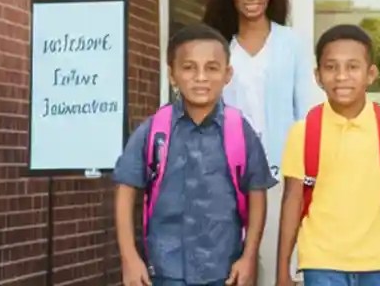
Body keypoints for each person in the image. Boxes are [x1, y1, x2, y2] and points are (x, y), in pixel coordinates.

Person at [113, 24, 277, 286]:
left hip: (224, 271)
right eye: (189, 68)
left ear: (227, 74)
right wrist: (129, 258)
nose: (201, 77)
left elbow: (257, 194)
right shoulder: (155, 130)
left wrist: (248, 257)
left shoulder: (239, 131)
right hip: (165, 271)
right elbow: (126, 189)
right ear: (172, 75)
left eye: (212, 68)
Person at [275, 24, 380, 286]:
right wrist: (282, 272)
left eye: (352, 67)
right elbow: (292, 202)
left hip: (377, 261)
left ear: (371, 74)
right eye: (331, 67)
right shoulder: (304, 131)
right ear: (317, 76)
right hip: (320, 260)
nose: (341, 76)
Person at [203, 0, 322, 285]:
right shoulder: (217, 45)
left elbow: (306, 108)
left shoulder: (290, 43)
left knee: (273, 263)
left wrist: (307, 168)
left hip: (279, 172)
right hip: (223, 171)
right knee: (229, 266)